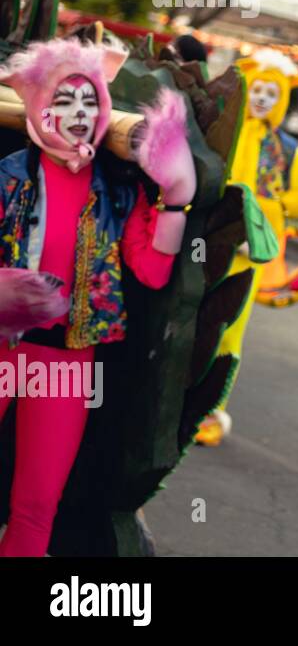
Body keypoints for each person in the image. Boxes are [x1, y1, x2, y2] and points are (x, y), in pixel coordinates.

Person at [0, 37, 195, 555]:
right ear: (39, 107)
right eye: (63, 101)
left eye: (90, 101)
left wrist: (175, 201)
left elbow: (152, 272)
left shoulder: (117, 189)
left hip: (67, 362)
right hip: (2, 349)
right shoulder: (6, 176)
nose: (79, 113)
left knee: (37, 506)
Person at [194, 48, 298, 446]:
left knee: (229, 329)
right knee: (190, 315)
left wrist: (275, 206)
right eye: (259, 90)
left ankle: (211, 412)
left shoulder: (285, 148)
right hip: (208, 238)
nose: (263, 98)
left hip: (251, 254)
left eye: (273, 92)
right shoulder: (223, 130)